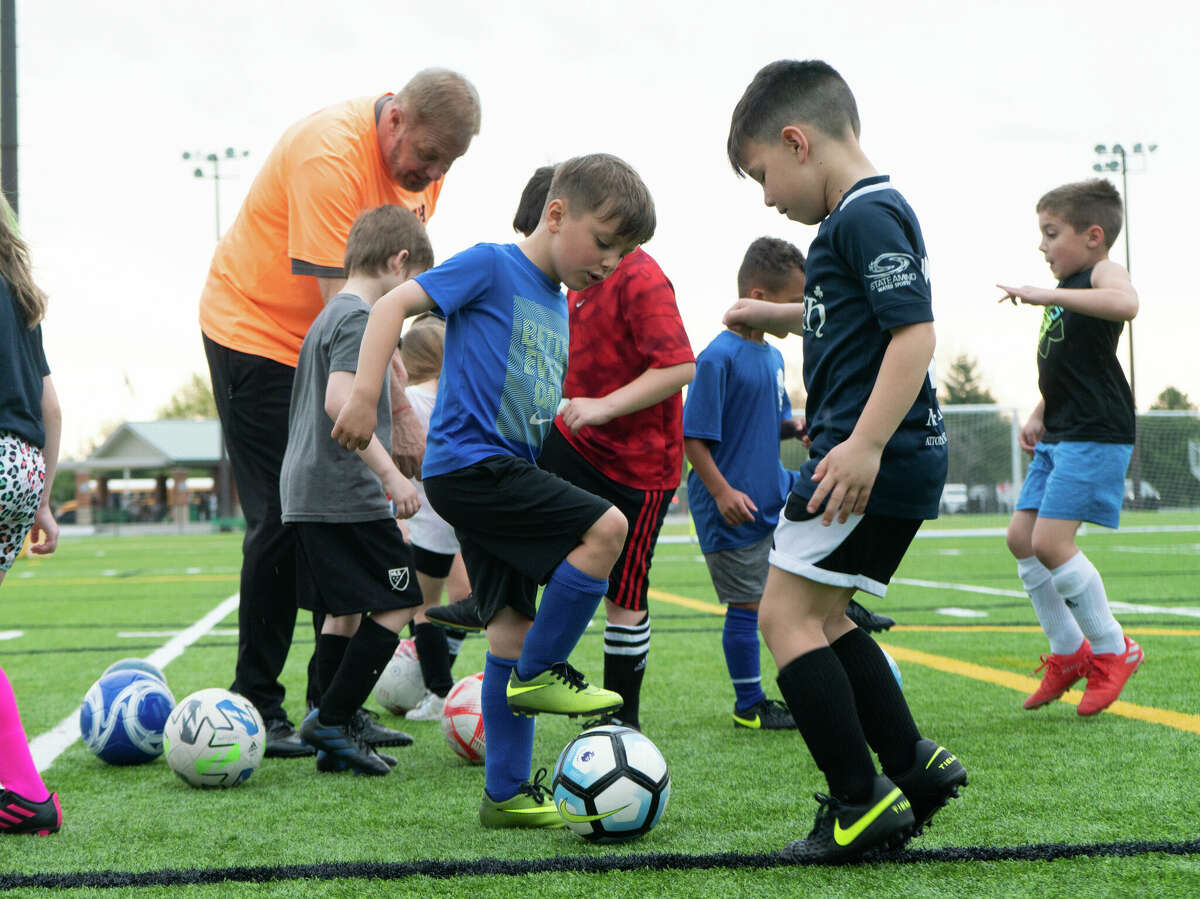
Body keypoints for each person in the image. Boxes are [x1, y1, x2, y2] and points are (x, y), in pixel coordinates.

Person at [332, 154, 656, 828]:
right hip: (472, 468)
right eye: (603, 242)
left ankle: (505, 794)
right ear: (556, 214)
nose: (609, 262)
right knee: (607, 528)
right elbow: (392, 304)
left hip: (497, 471)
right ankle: (544, 671)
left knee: (508, 630)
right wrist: (365, 395)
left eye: (622, 254)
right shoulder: (491, 264)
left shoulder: (559, 301)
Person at [724, 59, 967, 863]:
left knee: (784, 619)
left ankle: (861, 802)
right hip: (894, 459)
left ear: (798, 142)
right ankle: (913, 765)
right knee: (825, 619)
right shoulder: (857, 222)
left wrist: (862, 443)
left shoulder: (864, 215)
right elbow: (852, 316)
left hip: (864, 458)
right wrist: (785, 315)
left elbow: (913, 333)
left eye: (763, 173)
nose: (767, 198)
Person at [198, 69, 481, 756]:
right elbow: (352, 313)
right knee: (282, 517)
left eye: (446, 164)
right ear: (396, 119)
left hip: (332, 350)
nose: (433, 175)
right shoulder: (329, 154)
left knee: (342, 517)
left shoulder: (423, 171)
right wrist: (402, 411)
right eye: (429, 156)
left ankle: (333, 707)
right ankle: (259, 702)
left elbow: (391, 300)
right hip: (258, 336)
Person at [443, 164, 693, 734]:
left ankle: (620, 722)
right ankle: (495, 599)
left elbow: (680, 365)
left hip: (639, 465)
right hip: (579, 442)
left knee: (624, 590)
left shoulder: (636, 275)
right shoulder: (559, 286)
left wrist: (603, 406)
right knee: (501, 481)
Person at [280, 205, 432, 774]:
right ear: (398, 263)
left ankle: (336, 727)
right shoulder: (360, 319)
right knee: (403, 596)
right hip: (342, 493)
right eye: (416, 284)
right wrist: (391, 475)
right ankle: (332, 718)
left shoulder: (330, 315)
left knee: (343, 611)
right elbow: (340, 403)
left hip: (312, 493)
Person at [998, 179, 1143, 717]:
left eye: (1052, 233)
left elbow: (1128, 303)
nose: (1043, 245)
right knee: (1021, 539)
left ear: (1093, 236)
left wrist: (1049, 294)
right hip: (1061, 428)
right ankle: (1069, 651)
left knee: (1051, 542)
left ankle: (1113, 649)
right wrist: (1041, 411)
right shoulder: (1069, 287)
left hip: (1096, 430)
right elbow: (1071, 366)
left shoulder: (1101, 273)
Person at [683, 237, 807, 731]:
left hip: (772, 494)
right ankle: (749, 705)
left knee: (787, 593)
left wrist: (796, 427)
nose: (798, 313)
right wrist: (721, 492)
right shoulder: (717, 357)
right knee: (747, 603)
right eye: (792, 301)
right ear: (758, 296)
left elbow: (768, 421)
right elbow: (693, 438)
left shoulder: (773, 357)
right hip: (731, 505)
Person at [0, 199, 63, 835]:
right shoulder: (18, 295)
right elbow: (51, 407)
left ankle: (27, 794)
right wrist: (41, 498)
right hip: (19, 466)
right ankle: (21, 791)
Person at [396, 315, 473, 722]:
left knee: (422, 608)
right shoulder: (460, 396)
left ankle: (440, 692)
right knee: (465, 600)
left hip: (424, 520)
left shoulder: (410, 400)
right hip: (459, 518)